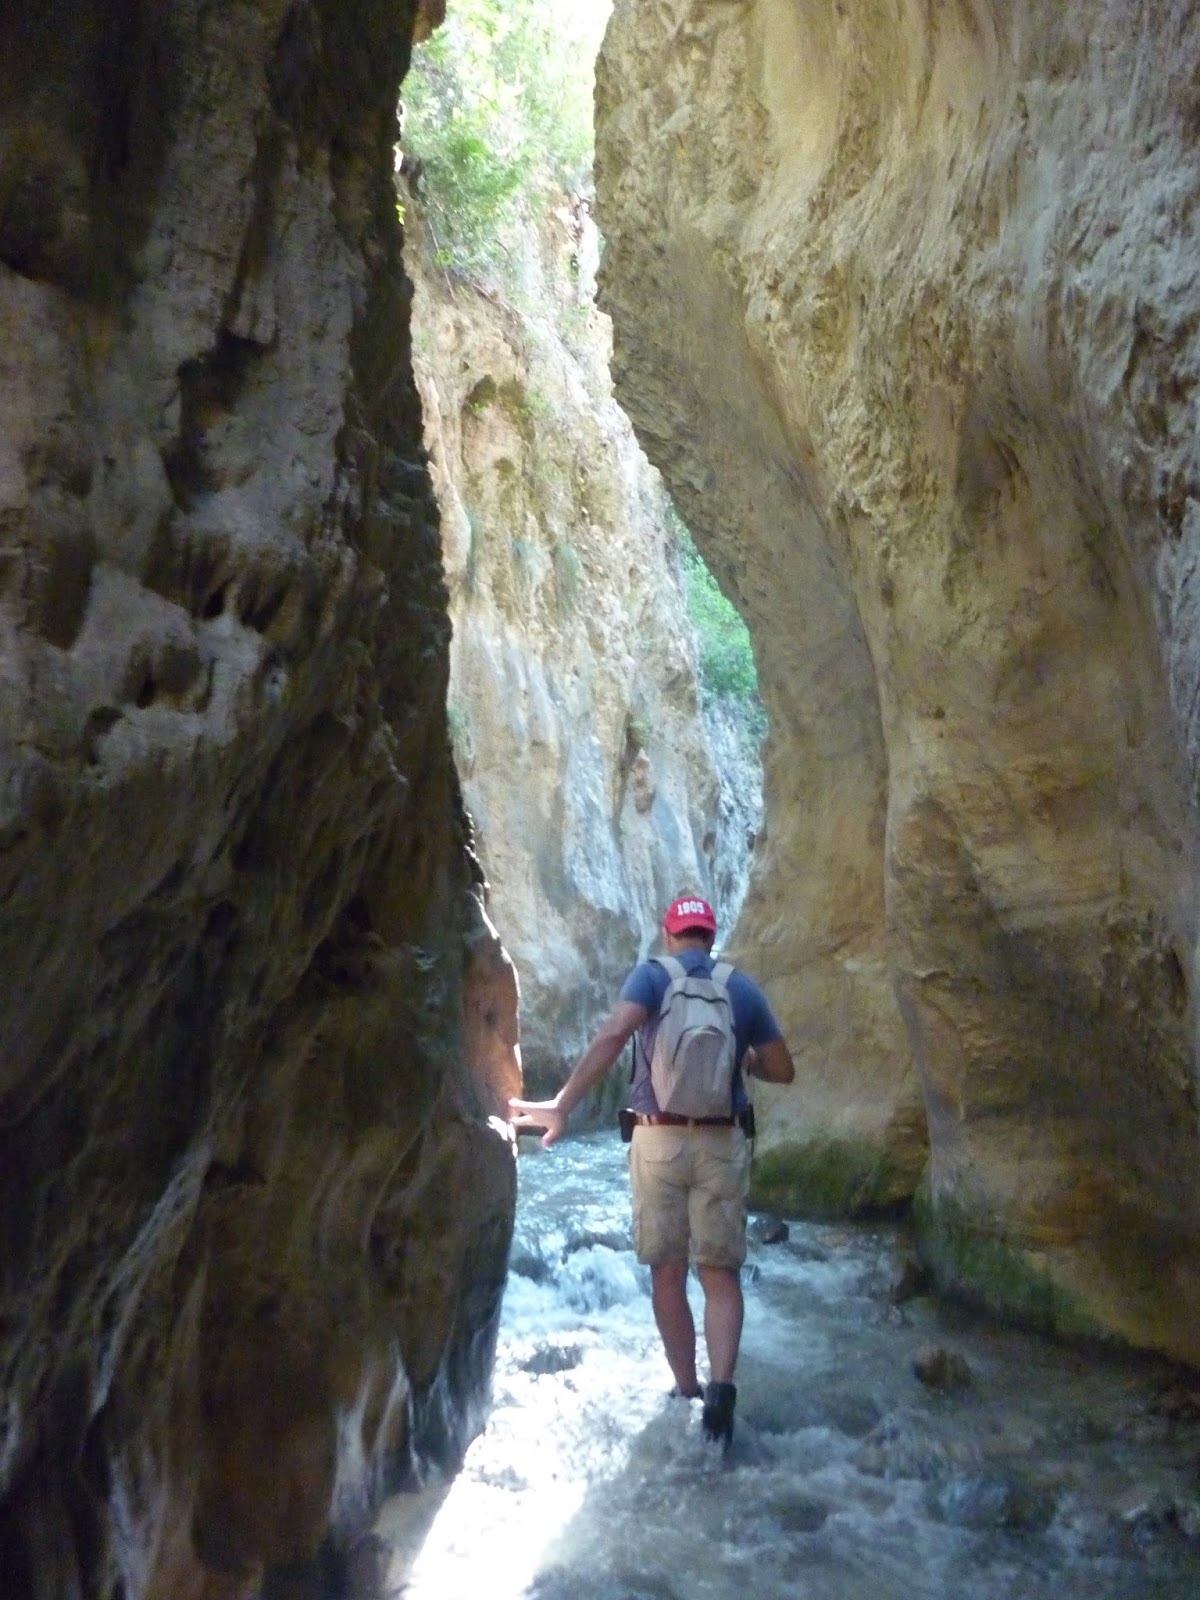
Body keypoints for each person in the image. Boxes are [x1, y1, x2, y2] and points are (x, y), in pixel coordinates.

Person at [508, 893, 795, 1449]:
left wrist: (564, 1104)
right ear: (710, 937)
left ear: (669, 935)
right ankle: (721, 1390)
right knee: (719, 1276)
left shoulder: (652, 978)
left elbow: (614, 1036)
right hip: (721, 1142)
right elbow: (782, 1069)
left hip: (657, 1137)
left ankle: (685, 1389)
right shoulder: (740, 987)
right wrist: (745, 1058)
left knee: (667, 1271)